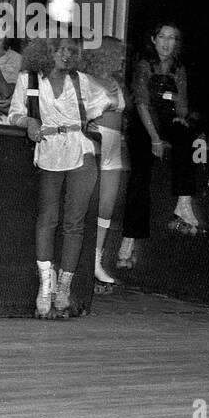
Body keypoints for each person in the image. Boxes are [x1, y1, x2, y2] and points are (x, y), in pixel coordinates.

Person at [8, 38, 122, 317]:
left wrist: (88, 117)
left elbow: (112, 101)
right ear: (45, 53)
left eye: (71, 51)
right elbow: (14, 115)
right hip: (49, 150)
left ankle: (64, 289)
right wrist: (30, 122)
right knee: (47, 220)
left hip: (81, 149)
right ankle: (45, 286)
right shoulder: (29, 79)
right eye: (60, 50)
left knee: (75, 223)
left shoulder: (81, 80)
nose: (66, 56)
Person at [119, 21, 202, 268]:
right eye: (163, 37)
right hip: (144, 122)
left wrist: (180, 113)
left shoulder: (178, 68)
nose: (167, 42)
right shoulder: (144, 64)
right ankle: (129, 239)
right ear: (154, 40)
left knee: (186, 132)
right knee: (140, 177)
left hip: (165, 119)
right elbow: (142, 104)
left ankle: (183, 202)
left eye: (172, 38)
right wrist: (155, 138)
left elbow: (183, 103)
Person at [81, 36, 129, 289]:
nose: (122, 59)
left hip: (114, 148)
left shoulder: (115, 82)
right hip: (94, 144)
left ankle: (96, 260)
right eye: (118, 54)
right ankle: (79, 261)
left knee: (107, 205)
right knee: (88, 202)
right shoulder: (85, 80)